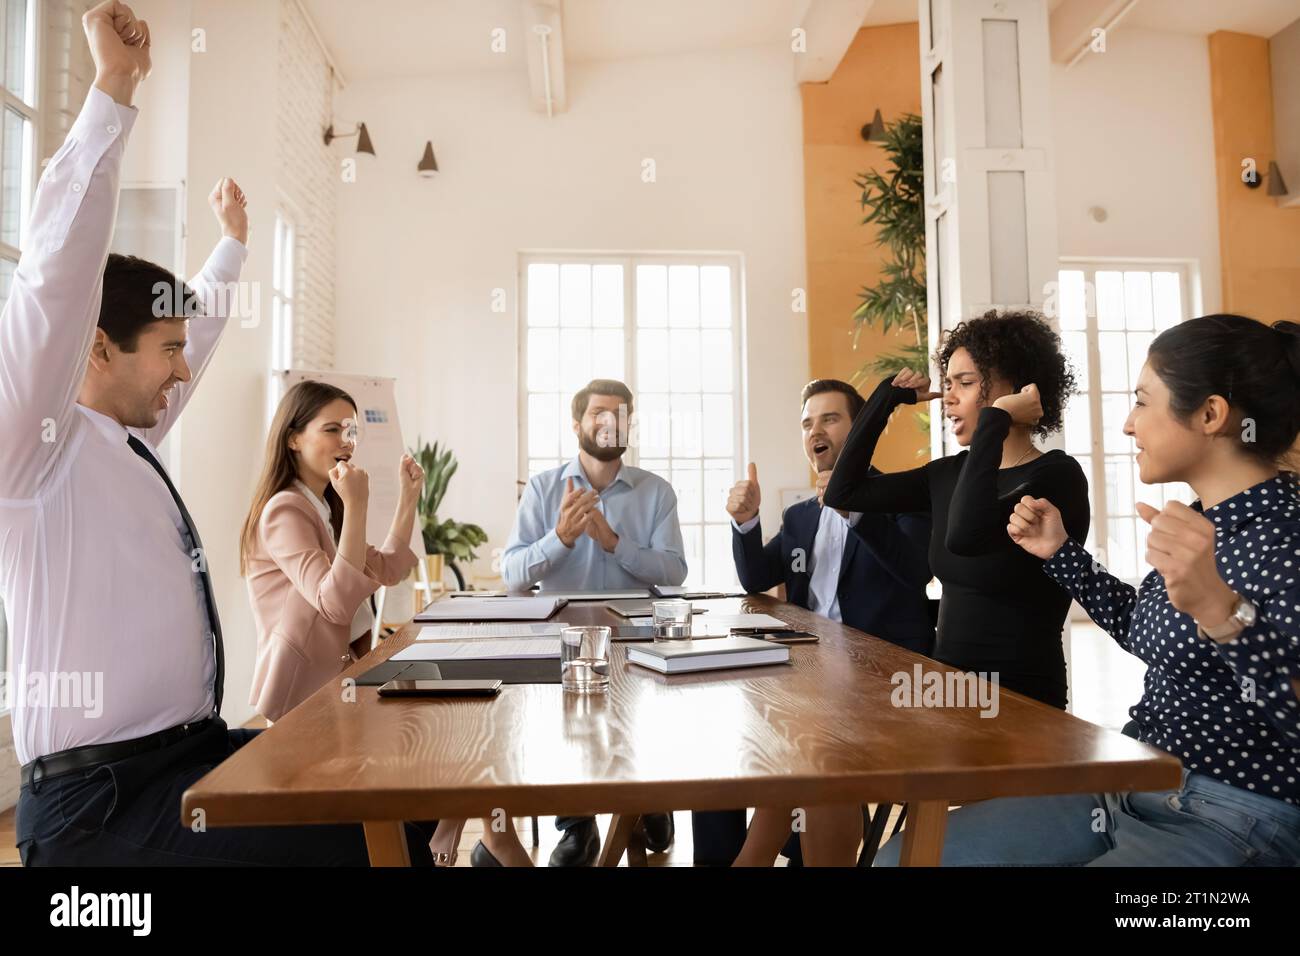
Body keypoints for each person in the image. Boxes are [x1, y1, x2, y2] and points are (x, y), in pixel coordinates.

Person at [4, 2, 434, 865]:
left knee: (408, 803)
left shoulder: (129, 440)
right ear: (94, 349)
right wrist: (115, 91)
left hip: (191, 754)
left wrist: (230, 251)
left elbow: (192, 338)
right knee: (354, 839)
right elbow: (55, 282)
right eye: (160, 350)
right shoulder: (33, 448)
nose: (181, 370)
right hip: (103, 808)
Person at [878, 314, 1300, 866]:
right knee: (903, 861)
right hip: (1127, 781)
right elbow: (1141, 629)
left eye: (1143, 401)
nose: (1128, 425)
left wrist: (1226, 615)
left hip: (1235, 815)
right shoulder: (1201, 523)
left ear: (1210, 414)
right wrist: (1060, 553)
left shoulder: (1284, 537)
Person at [745, 310, 1088, 866]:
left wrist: (997, 422)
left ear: (1019, 391)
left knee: (822, 759)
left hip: (1016, 704)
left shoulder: (1054, 475)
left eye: (965, 384)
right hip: (942, 694)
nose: (949, 398)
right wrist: (884, 399)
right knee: (809, 747)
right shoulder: (948, 475)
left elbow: (969, 532)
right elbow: (845, 489)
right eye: (947, 384)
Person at [695, 378, 935, 866]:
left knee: (806, 739)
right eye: (807, 423)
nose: (815, 431)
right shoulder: (801, 516)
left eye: (830, 419)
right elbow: (758, 577)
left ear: (861, 428)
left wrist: (856, 510)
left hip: (881, 685)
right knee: (718, 741)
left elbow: (915, 572)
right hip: (805, 676)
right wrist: (746, 521)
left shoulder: (905, 497)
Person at [486, 378, 686, 867]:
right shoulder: (542, 488)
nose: (608, 421)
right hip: (560, 640)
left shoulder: (656, 492)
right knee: (564, 729)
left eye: (619, 414)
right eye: (598, 413)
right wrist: (561, 538)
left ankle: (648, 800)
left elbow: (675, 572)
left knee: (640, 720)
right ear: (577, 424)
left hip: (636, 637)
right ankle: (577, 826)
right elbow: (511, 575)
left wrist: (616, 543)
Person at [240, 380, 422, 724]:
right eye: (332, 429)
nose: (346, 441)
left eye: (351, 430)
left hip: (338, 685)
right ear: (294, 439)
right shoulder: (286, 511)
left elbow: (388, 568)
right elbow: (335, 604)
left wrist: (408, 498)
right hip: (301, 698)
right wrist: (356, 504)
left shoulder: (322, 508)